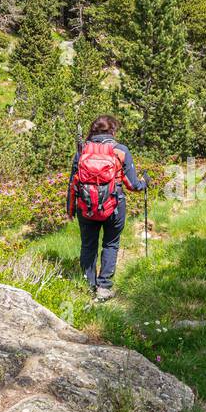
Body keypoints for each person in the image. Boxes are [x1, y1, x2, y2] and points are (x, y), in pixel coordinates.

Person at [67, 115, 148, 300]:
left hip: (85, 206)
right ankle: (104, 287)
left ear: (93, 130)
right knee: (110, 244)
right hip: (114, 204)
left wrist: (70, 210)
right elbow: (132, 184)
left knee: (88, 245)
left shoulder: (82, 151)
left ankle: (88, 286)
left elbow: (73, 183)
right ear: (113, 131)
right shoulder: (120, 151)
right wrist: (145, 183)